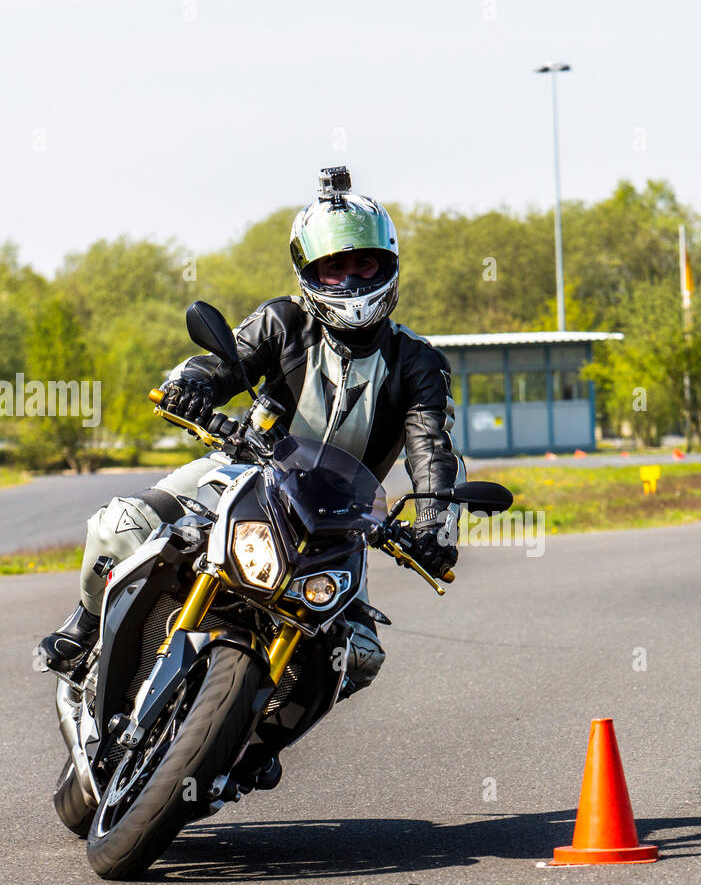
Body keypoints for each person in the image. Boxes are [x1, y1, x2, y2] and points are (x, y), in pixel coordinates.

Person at [38, 167, 465, 750]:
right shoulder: (282, 320)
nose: (349, 277)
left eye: (362, 263)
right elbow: (221, 365)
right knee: (120, 526)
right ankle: (86, 626)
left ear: (387, 265)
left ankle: (246, 740)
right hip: (244, 472)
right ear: (310, 272)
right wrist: (192, 384)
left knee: (357, 655)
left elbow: (432, 448)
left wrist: (436, 522)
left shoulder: (418, 362)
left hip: (337, 521)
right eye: (333, 266)